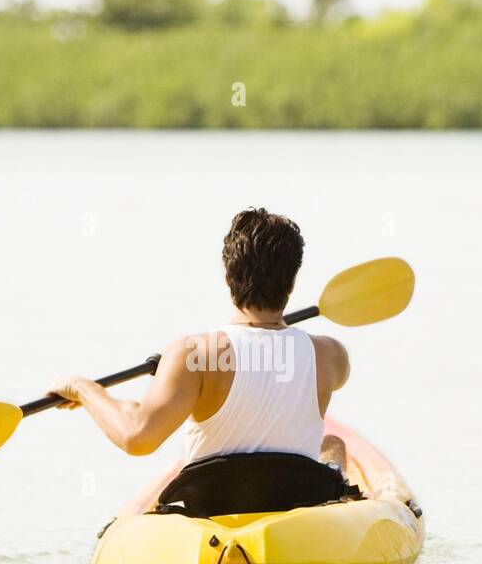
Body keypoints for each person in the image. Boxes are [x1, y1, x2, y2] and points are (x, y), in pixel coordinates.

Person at [46, 208, 350, 496]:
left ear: (228, 276)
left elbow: (136, 437)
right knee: (333, 444)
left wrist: (85, 389)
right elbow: (278, 373)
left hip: (214, 510)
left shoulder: (194, 353)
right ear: (292, 282)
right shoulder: (331, 355)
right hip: (298, 504)